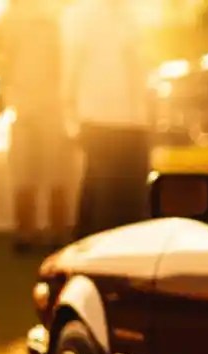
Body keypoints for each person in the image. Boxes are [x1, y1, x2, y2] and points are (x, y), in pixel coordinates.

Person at [62, 0, 152, 239]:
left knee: (132, 194)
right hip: (100, 118)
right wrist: (70, 115)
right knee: (103, 193)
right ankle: (91, 250)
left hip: (135, 120)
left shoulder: (133, 14)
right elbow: (71, 68)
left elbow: (140, 65)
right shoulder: (81, 15)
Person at [0, 0, 70, 251]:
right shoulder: (12, 16)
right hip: (26, 105)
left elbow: (66, 55)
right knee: (25, 171)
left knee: (53, 171)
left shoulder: (54, 13)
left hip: (49, 104)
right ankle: (27, 232)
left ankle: (54, 232)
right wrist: (5, 83)